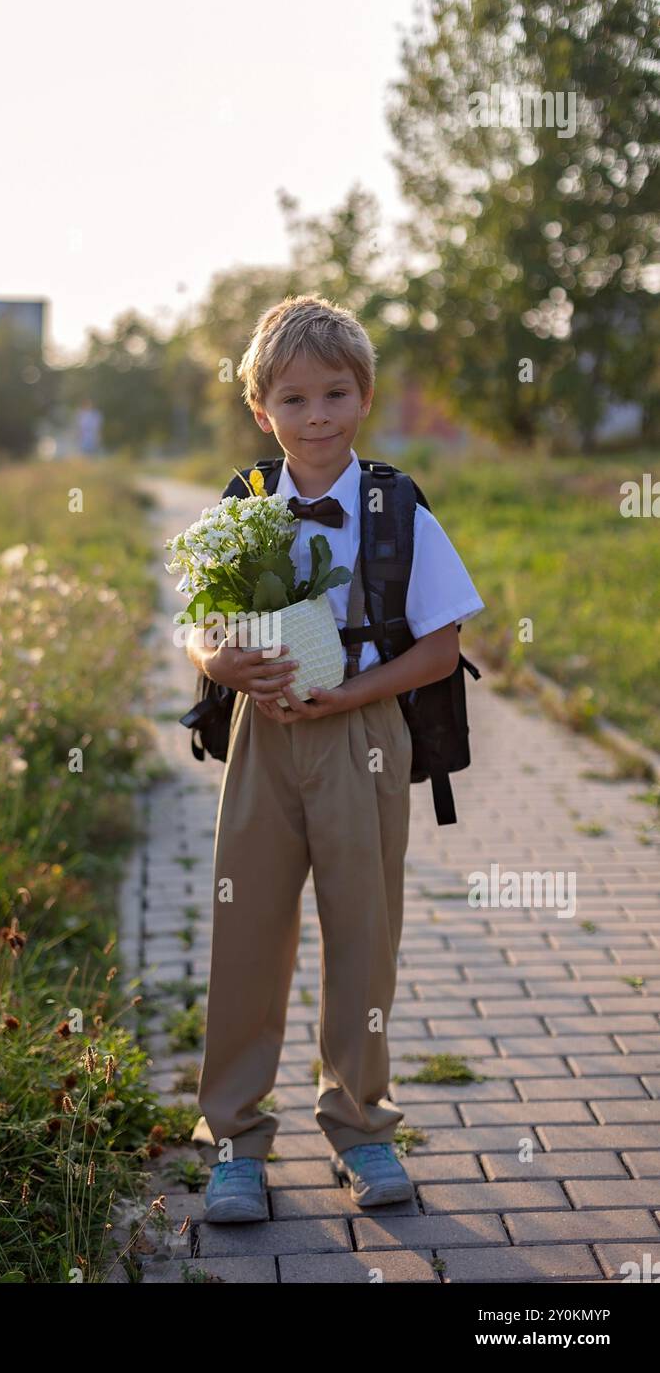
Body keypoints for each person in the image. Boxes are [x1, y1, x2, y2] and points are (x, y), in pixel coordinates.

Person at [176, 294, 485, 1222]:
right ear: (263, 411)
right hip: (263, 736)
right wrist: (221, 660)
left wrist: (352, 694)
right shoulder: (242, 506)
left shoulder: (397, 509)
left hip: (364, 739)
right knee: (248, 934)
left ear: (364, 397)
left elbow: (440, 645)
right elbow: (201, 626)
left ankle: (362, 1130)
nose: (317, 418)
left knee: (363, 934)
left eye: (335, 395)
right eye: (296, 400)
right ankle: (234, 1142)